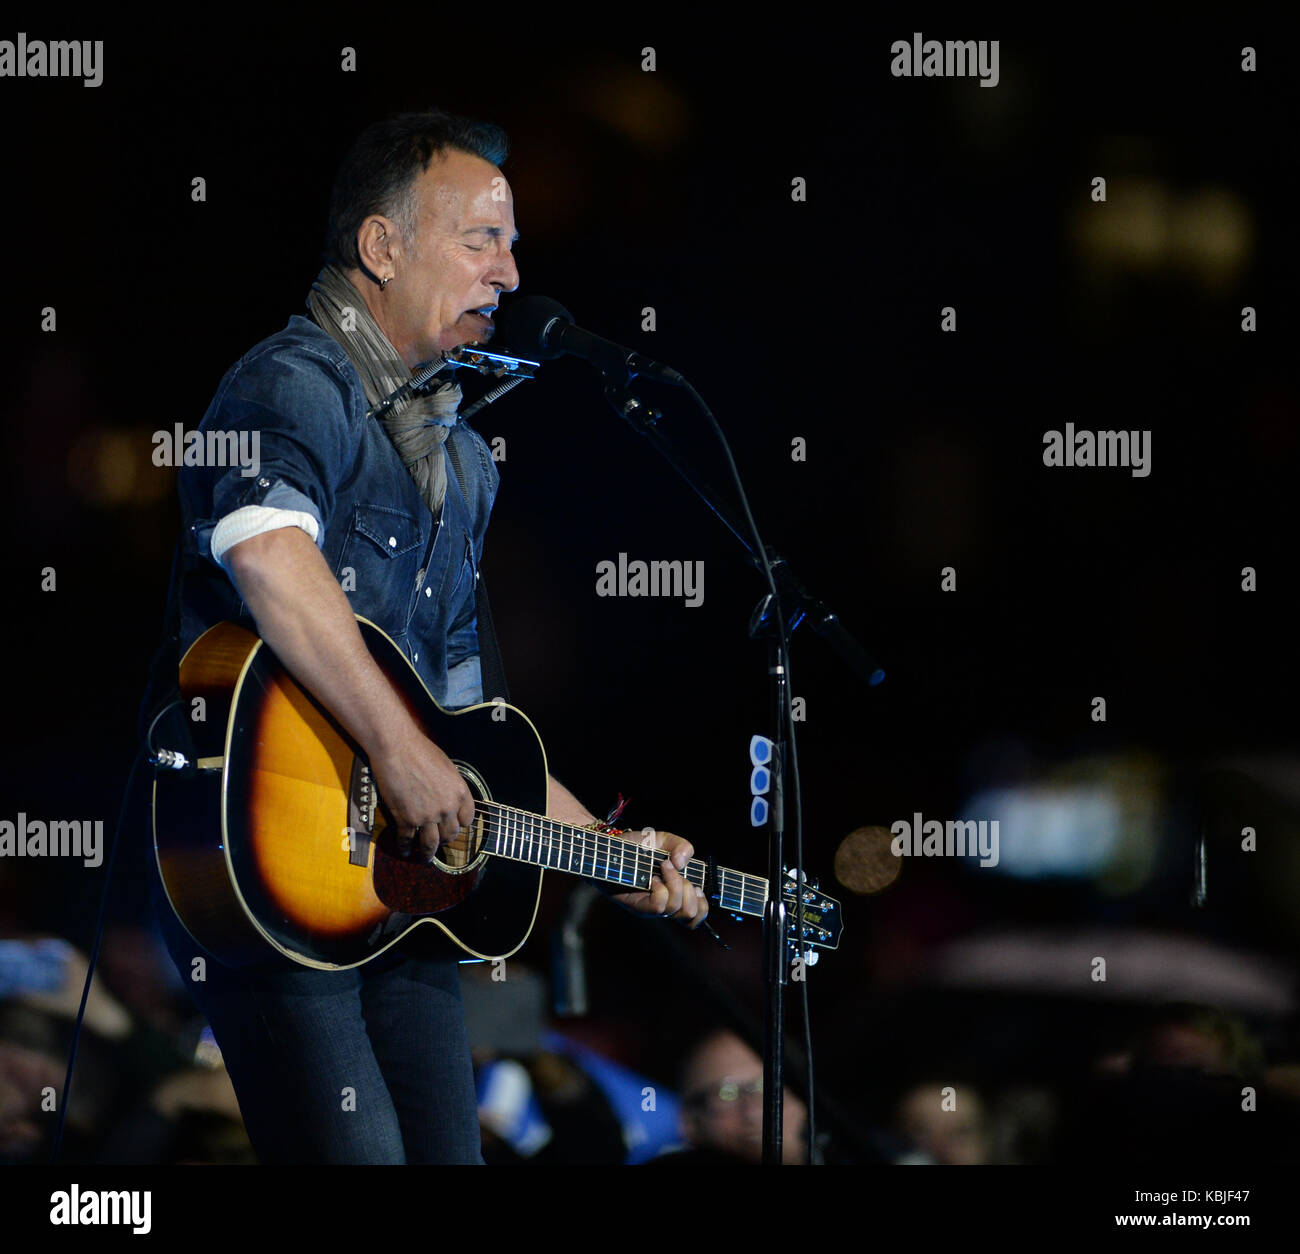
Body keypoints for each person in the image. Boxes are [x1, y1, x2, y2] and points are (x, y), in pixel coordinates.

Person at [145, 109, 708, 1164]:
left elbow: (468, 728)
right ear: (381, 246)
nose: (508, 272)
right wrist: (401, 756)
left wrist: (610, 849)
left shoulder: (467, 462)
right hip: (262, 878)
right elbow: (269, 558)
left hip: (397, 893)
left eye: (513, 244)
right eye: (480, 240)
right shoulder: (286, 385)